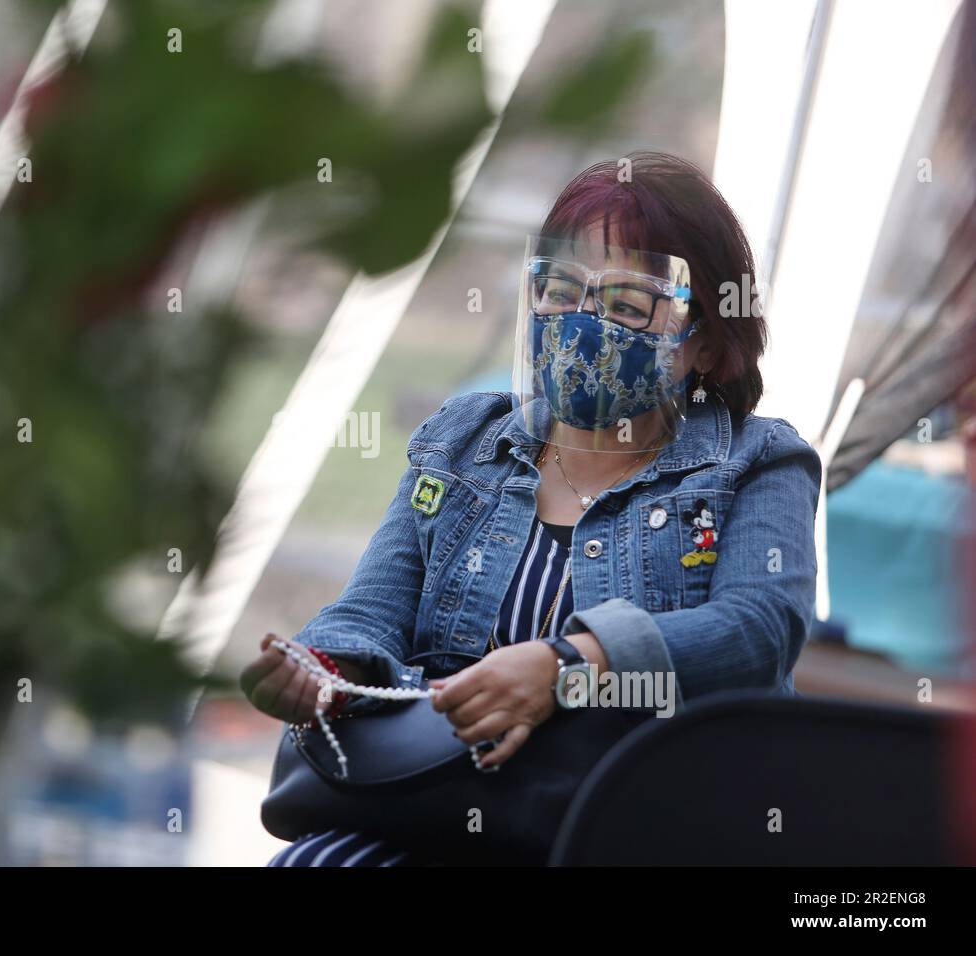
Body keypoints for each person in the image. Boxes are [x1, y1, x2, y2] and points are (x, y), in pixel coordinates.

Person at [242, 151, 822, 866]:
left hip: (639, 827)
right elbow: (371, 611)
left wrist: (567, 665)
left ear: (704, 341)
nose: (583, 322)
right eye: (560, 289)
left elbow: (758, 629)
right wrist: (319, 668)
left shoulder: (758, 464)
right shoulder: (461, 444)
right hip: (442, 805)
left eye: (627, 304)